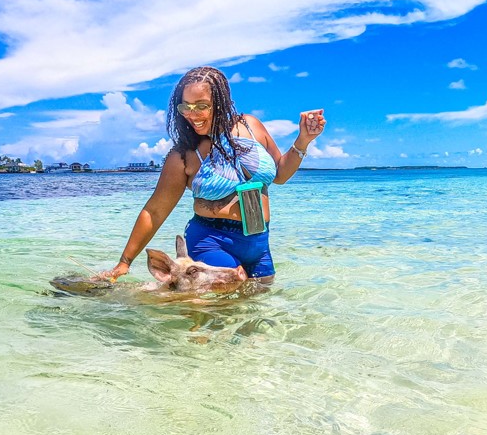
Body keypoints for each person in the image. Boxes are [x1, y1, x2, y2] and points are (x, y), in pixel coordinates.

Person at [99, 66, 325, 285]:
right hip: (211, 240)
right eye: (185, 107)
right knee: (227, 301)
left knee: (259, 301)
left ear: (220, 102)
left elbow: (280, 175)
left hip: (258, 239)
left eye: (201, 106)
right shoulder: (183, 155)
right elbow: (155, 211)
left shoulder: (251, 126)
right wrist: (124, 263)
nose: (192, 114)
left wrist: (303, 139)